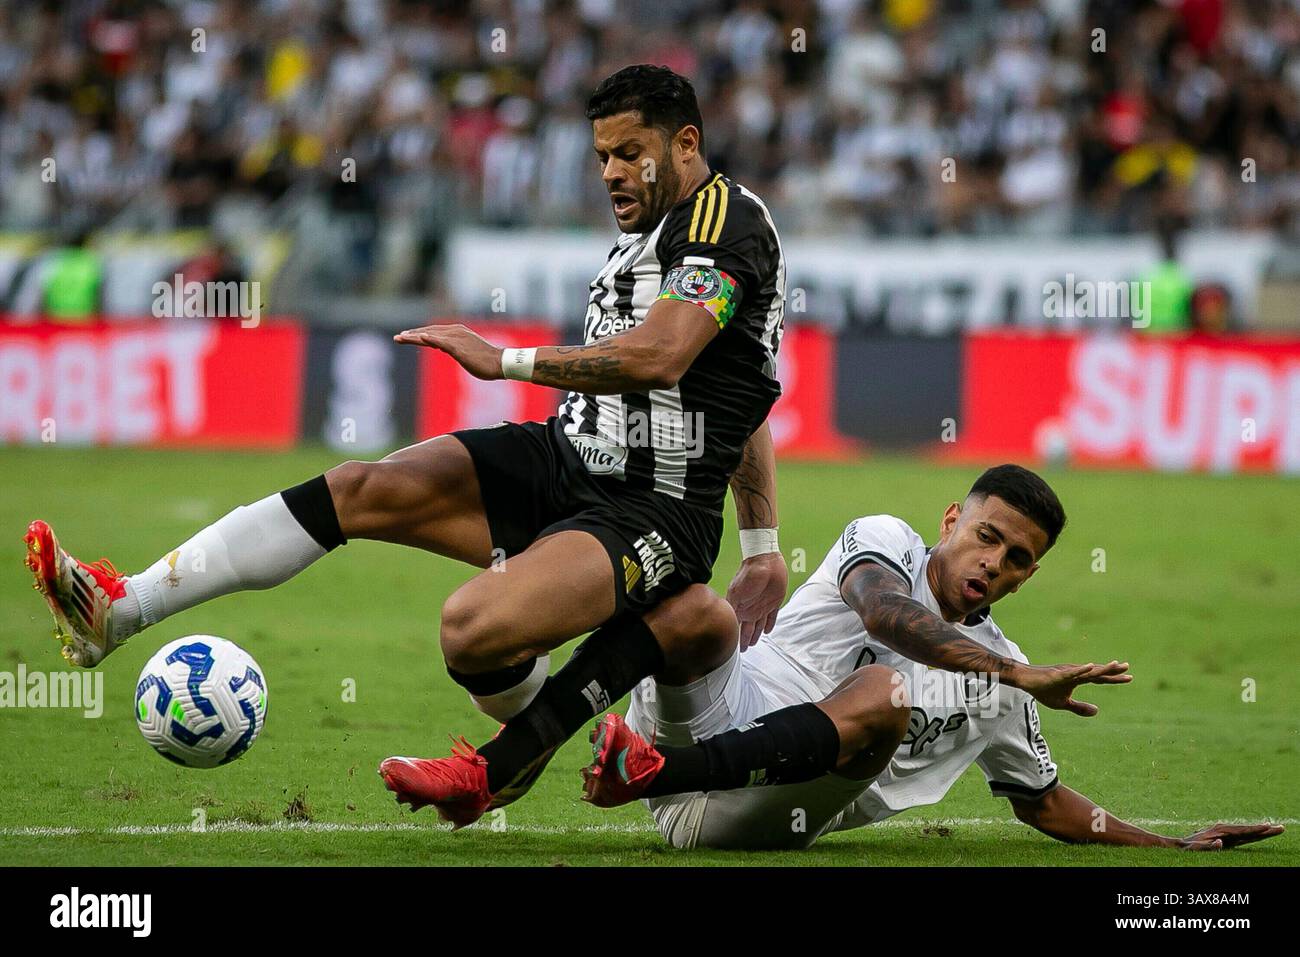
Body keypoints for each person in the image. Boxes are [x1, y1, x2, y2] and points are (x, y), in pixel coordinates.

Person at [24, 65, 790, 827]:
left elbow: (665, 356)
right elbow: (746, 387)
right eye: (602, 157)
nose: (612, 173)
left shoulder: (727, 222)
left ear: (686, 142)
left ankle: (513, 750)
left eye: (630, 153)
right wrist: (763, 544)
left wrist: (507, 361)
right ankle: (121, 609)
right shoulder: (652, 230)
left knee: (469, 629)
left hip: (653, 506)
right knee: (362, 486)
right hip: (567, 456)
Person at [581, 465, 1284, 853]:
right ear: (951, 520)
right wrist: (1012, 673)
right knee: (698, 604)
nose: (992, 562)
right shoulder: (886, 539)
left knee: (883, 694)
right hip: (703, 721)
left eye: (1016, 559)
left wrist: (1171, 847)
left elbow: (1042, 801)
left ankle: (648, 773)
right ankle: (522, 742)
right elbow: (888, 613)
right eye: (985, 536)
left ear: (1027, 576)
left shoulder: (1005, 676)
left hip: (750, 815)